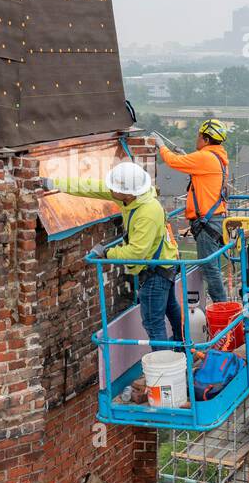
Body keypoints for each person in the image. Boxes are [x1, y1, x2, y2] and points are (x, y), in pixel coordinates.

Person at [43, 162, 183, 344]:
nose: (110, 189)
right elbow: (91, 188)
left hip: (156, 272)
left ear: (127, 192)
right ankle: (183, 349)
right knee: (171, 309)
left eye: (115, 187)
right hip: (165, 263)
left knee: (153, 324)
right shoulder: (132, 197)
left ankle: (164, 369)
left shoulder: (147, 212)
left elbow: (135, 253)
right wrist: (53, 184)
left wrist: (107, 253)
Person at [157, 119, 231, 303]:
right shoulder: (218, 157)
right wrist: (187, 157)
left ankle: (222, 309)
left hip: (208, 222)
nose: (196, 140)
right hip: (215, 219)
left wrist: (161, 146)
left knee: (210, 269)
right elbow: (201, 174)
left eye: (198, 137)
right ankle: (223, 307)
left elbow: (173, 162)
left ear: (205, 139)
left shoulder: (204, 158)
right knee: (212, 267)